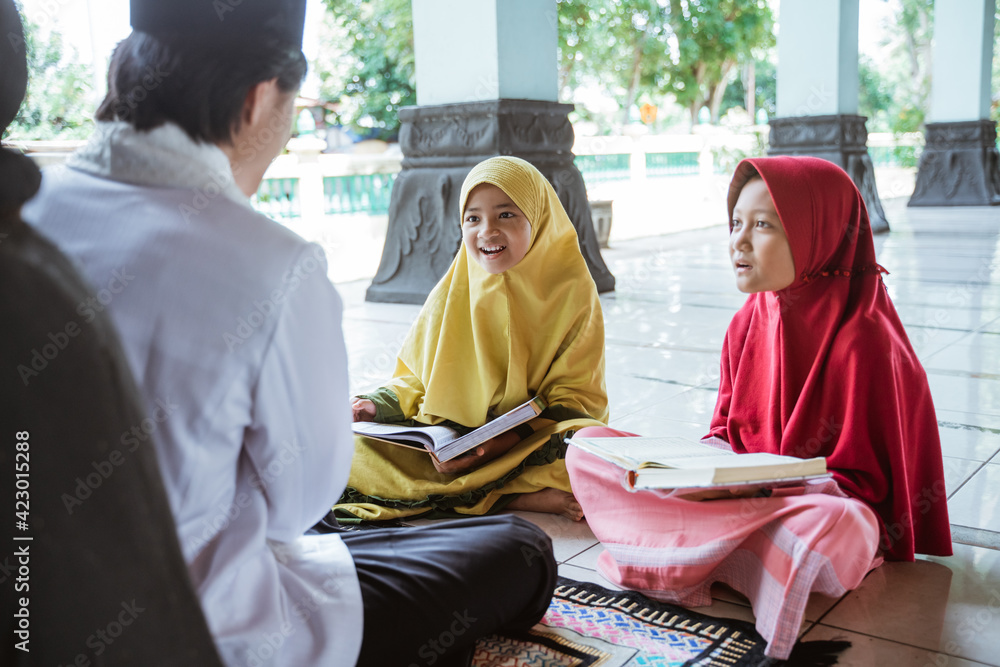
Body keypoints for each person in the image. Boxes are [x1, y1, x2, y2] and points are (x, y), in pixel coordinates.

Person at [21, 2, 556, 666]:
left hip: (32, 606)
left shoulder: (29, 213)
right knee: (520, 549)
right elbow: (300, 504)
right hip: (206, 629)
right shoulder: (272, 262)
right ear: (257, 98)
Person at [566, 156, 952, 661]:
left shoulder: (865, 340)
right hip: (740, 497)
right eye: (735, 224)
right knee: (588, 450)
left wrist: (764, 485)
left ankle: (701, 549)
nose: (738, 242)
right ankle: (733, 552)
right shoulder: (748, 320)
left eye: (764, 225)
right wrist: (695, 471)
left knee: (834, 526)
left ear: (820, 234)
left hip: (806, 504)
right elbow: (726, 433)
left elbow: (868, 488)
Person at [334, 156, 608, 523]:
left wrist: (500, 443)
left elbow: (575, 398)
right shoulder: (454, 288)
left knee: (587, 450)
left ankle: (496, 492)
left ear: (539, 218)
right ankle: (513, 496)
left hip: (526, 438)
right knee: (345, 447)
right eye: (473, 218)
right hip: (450, 438)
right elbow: (416, 379)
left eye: (506, 215)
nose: (487, 231)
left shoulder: (572, 290)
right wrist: (373, 406)